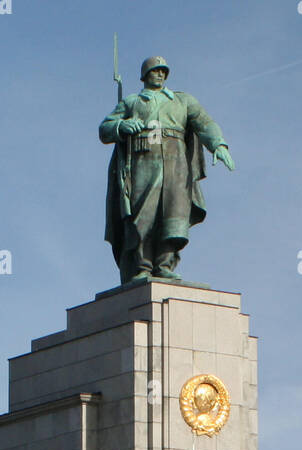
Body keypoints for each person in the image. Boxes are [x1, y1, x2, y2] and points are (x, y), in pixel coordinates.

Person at [100, 56, 235, 285]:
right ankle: (142, 267)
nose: (160, 74)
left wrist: (218, 145)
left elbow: (205, 123)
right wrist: (121, 126)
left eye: (163, 71)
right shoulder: (132, 102)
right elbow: (105, 129)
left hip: (176, 164)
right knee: (144, 215)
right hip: (143, 161)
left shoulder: (182, 101)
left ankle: (164, 265)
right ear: (144, 75)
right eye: (155, 71)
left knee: (174, 214)